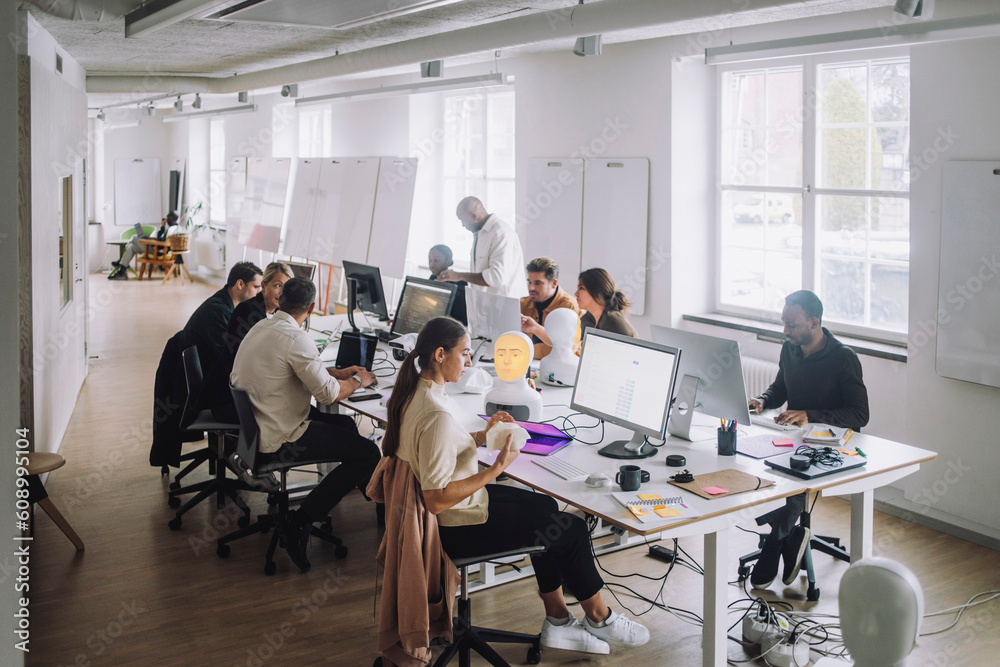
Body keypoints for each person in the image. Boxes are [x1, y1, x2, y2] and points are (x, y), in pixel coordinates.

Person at [382, 316, 650, 655]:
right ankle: (600, 616)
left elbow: (440, 447)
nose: (469, 363)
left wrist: (482, 435)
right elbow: (436, 499)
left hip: (456, 511)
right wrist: (497, 468)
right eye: (464, 353)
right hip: (455, 526)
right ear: (439, 354)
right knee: (570, 530)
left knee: (547, 507)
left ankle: (558, 620)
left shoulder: (418, 393)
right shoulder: (435, 412)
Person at [231, 277, 381, 572]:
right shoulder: (297, 339)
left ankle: (371, 493)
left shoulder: (262, 326)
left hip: (257, 429)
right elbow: (329, 394)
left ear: (279, 300)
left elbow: (289, 366)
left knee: (347, 426)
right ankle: (300, 521)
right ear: (312, 308)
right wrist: (358, 380)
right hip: (281, 436)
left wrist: (334, 372)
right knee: (369, 453)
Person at [746, 290, 869, 591]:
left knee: (794, 475)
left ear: (814, 323)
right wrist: (762, 401)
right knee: (753, 464)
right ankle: (792, 535)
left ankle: (776, 540)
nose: (785, 330)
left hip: (832, 445)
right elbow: (780, 389)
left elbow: (859, 414)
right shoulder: (790, 349)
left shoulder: (844, 358)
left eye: (792, 324)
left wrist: (809, 415)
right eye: (784, 322)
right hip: (796, 439)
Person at [202, 262, 295, 423]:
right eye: (277, 285)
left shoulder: (276, 313)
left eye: (286, 288)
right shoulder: (247, 312)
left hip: (248, 393)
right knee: (293, 411)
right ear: (263, 286)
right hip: (231, 399)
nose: (282, 292)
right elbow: (249, 363)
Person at [182, 261, 263, 386]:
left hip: (211, 367)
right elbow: (228, 355)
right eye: (256, 287)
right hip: (209, 376)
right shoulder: (217, 310)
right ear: (240, 284)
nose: (259, 292)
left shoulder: (227, 303)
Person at [436, 196, 527, 298]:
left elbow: (496, 277)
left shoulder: (500, 233)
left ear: (474, 216)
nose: (462, 225)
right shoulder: (480, 233)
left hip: (504, 302)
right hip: (488, 302)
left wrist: (459, 276)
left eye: (463, 220)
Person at [518, 257, 581, 359]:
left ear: (554, 283)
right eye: (529, 282)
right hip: (530, 363)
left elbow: (566, 348)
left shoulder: (569, 306)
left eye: (537, 283)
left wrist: (523, 350)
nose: (531, 288)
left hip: (561, 365)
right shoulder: (522, 303)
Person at [575, 268, 637, 339]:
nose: (576, 294)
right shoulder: (586, 319)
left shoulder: (612, 321)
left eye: (581, 288)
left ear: (597, 291)